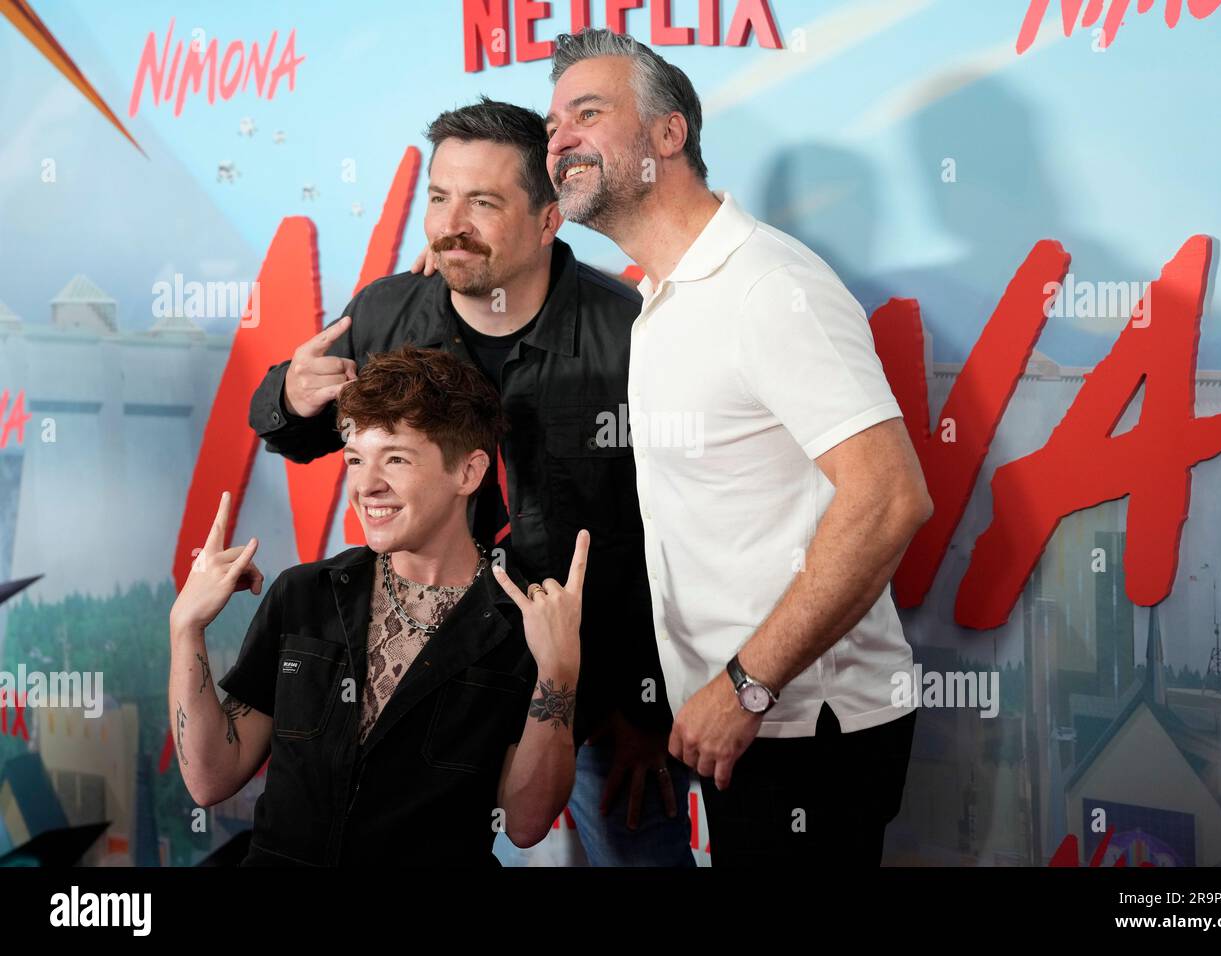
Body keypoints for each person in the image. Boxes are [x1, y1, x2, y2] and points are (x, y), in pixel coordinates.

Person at [247, 98, 694, 866]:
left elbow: (673, 537)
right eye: (439, 197)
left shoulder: (630, 336)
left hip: (590, 692)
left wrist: (647, 705)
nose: (451, 223)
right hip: (425, 682)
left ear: (550, 219)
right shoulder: (388, 313)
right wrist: (287, 395)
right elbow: (303, 431)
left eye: (483, 202)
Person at [543, 29, 935, 866]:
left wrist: (747, 684)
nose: (559, 139)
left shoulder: (767, 286)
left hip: (804, 731)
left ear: (668, 134)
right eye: (551, 126)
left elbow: (890, 498)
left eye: (587, 112)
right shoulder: (663, 301)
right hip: (732, 729)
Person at [168, 345, 587, 865]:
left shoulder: (523, 621)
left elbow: (525, 823)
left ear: (469, 472)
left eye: (395, 458)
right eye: (354, 459)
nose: (367, 485)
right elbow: (211, 777)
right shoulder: (304, 595)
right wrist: (186, 629)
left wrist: (559, 671)